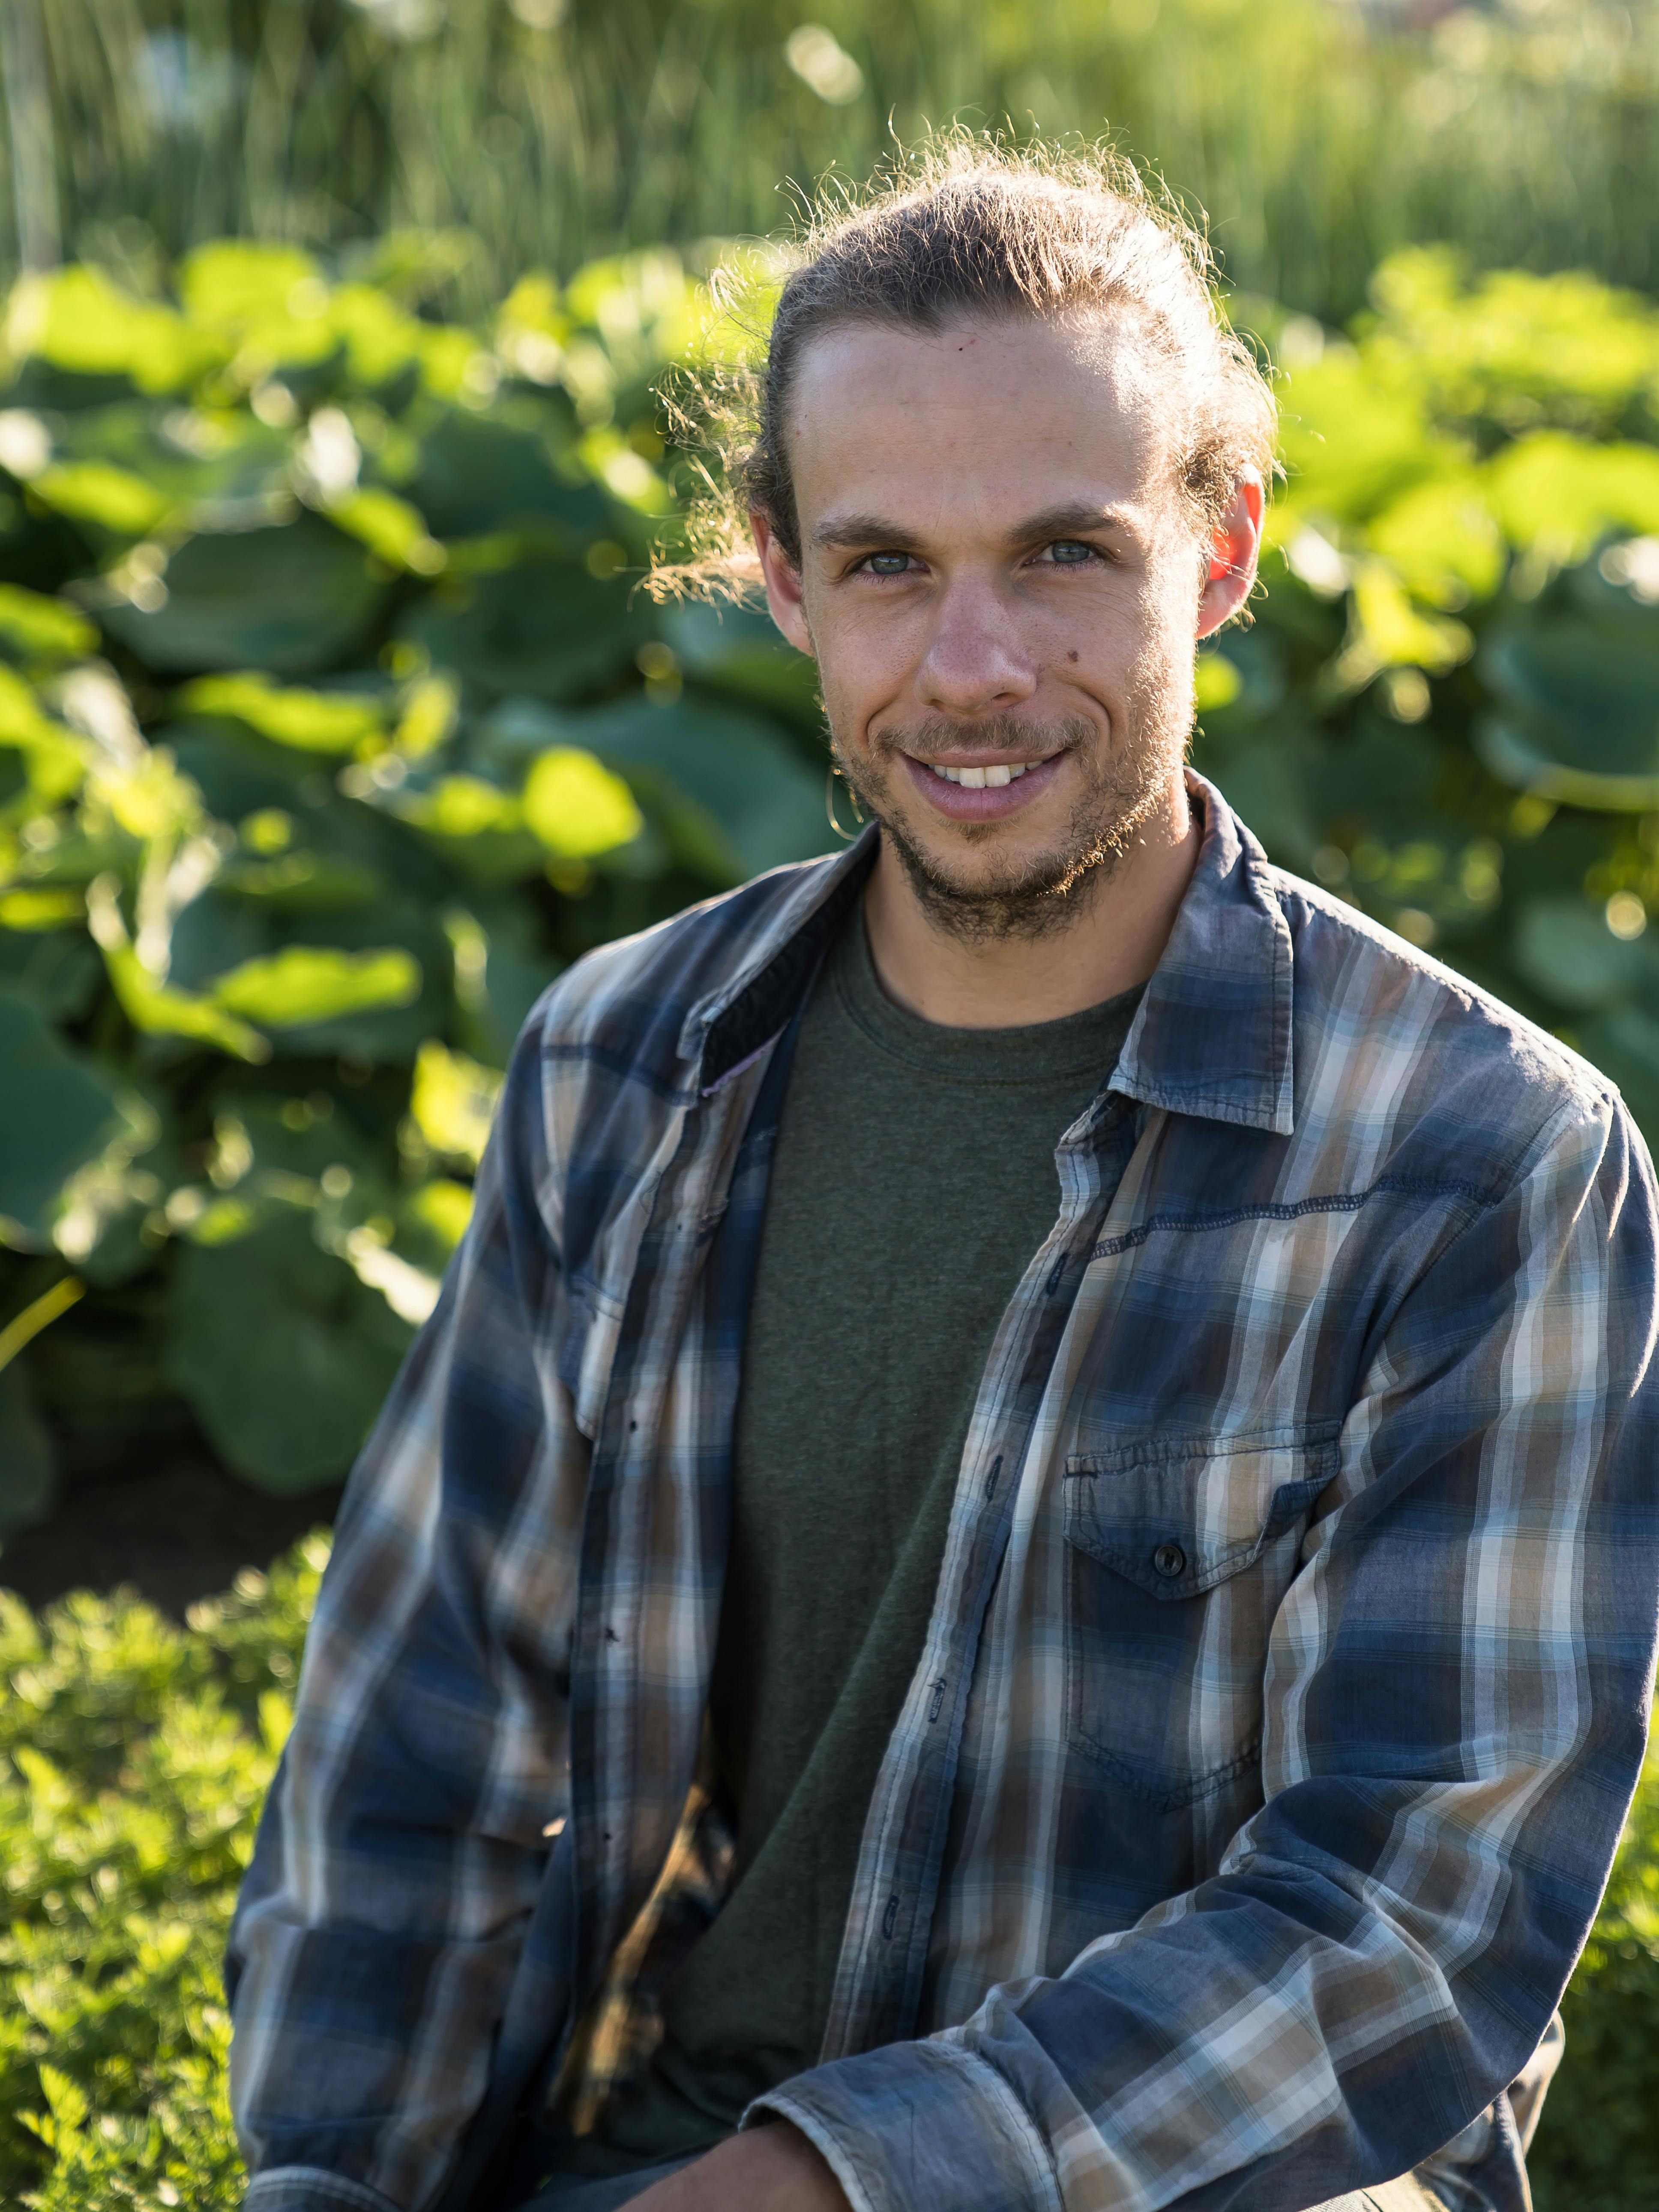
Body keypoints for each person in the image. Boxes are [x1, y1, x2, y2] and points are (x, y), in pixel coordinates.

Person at [226, 142, 1659, 2212]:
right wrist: (328, 2184)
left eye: (1063, 556)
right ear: (786, 575)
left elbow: (1402, 1923)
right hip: (656, 2159)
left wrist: (826, 2186)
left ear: (1224, 547)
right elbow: (418, 1749)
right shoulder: (621, 1067)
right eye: (887, 564)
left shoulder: (1481, 1160)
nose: (970, 668)